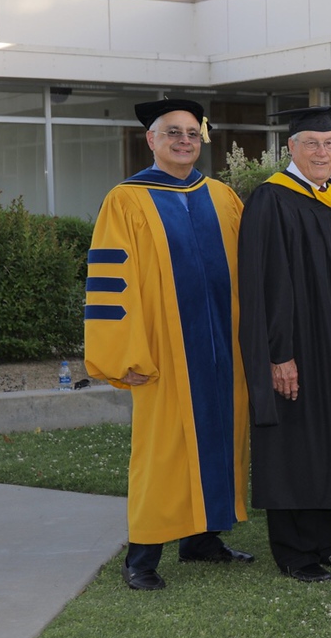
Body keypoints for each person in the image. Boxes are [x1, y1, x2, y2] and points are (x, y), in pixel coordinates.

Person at [84, 97, 252, 590]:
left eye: (192, 134)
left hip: (224, 348)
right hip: (162, 352)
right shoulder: (126, 199)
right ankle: (143, 556)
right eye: (173, 132)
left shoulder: (222, 196)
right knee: (161, 452)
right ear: (151, 140)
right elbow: (112, 283)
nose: (184, 141)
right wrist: (124, 354)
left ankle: (203, 539)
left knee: (223, 440)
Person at [238, 106, 331, 583]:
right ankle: (294, 552)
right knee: (296, 442)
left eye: (330, 143)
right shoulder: (271, 200)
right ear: (291, 148)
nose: (321, 152)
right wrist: (279, 353)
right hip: (297, 346)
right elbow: (265, 284)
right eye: (311, 143)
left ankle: (324, 543)